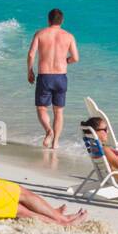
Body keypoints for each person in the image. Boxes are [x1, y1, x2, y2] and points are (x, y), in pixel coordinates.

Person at [26, 8, 79, 148]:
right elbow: (75, 58)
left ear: (48, 20)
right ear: (62, 21)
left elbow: (31, 54)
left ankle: (49, 131)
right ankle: (55, 143)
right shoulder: (69, 36)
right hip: (61, 77)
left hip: (45, 76)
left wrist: (30, 71)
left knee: (42, 108)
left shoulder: (40, 34)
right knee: (59, 111)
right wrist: (65, 61)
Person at [82, 115, 118, 185]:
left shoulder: (96, 150)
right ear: (95, 132)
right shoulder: (104, 150)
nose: (108, 132)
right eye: (105, 129)